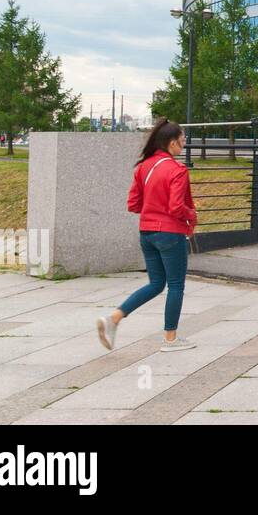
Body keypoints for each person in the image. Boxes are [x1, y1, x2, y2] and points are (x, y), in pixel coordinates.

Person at [96, 118, 198, 352]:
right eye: (182, 143)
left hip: (147, 233)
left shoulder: (143, 167)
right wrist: (191, 214)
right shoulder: (177, 170)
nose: (183, 147)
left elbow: (133, 204)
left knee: (155, 283)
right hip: (170, 234)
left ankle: (113, 319)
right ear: (171, 143)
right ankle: (170, 339)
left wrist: (154, 209)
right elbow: (175, 208)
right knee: (175, 286)